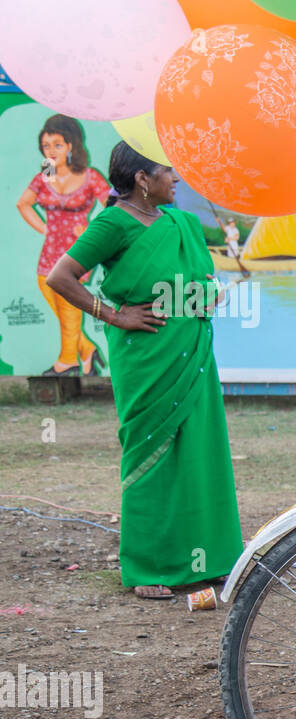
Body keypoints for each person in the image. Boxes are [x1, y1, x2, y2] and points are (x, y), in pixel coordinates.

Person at [44, 142, 243, 599]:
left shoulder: (183, 223)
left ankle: (207, 559)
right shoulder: (114, 223)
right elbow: (61, 277)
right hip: (145, 354)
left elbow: (201, 281)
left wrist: (210, 295)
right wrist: (114, 316)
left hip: (190, 350)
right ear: (141, 179)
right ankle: (148, 566)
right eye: (167, 172)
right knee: (150, 453)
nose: (176, 179)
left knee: (199, 451)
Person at [15, 114, 111, 376]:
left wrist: (91, 230)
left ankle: (67, 361)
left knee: (69, 303)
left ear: (70, 145)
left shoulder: (89, 176)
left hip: (76, 251)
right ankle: (87, 349)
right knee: (52, 296)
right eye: (46, 146)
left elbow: (113, 209)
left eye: (57, 144)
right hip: (49, 251)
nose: (51, 151)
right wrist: (44, 228)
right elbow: (23, 203)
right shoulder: (46, 173)